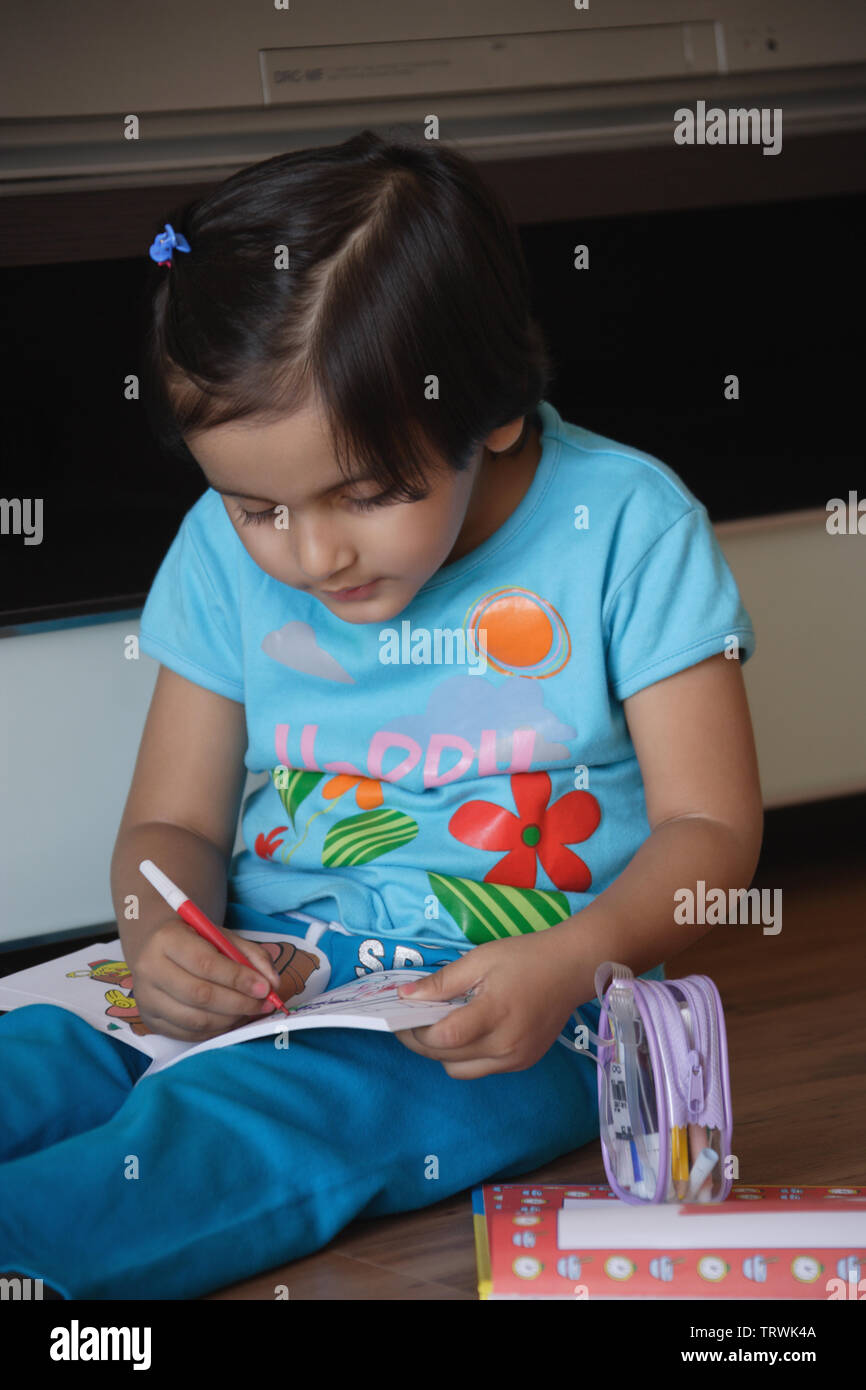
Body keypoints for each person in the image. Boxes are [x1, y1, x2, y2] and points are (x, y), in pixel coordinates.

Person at [0, 129, 763, 1300]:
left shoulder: (623, 526)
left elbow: (711, 832)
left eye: (364, 495)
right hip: (266, 964)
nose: (308, 554)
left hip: (503, 1000)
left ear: (495, 411)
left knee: (235, 1124)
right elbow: (169, 829)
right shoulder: (220, 549)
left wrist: (572, 960)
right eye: (257, 507)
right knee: (36, 1059)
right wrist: (161, 936)